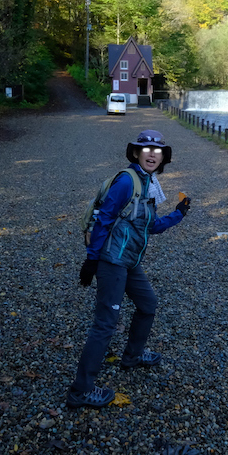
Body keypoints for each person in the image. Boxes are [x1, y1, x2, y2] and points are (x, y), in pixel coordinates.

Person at [67, 130, 191, 409]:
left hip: (130, 261)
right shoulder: (127, 181)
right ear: (135, 153)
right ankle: (80, 391)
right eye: (145, 149)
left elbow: (152, 226)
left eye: (157, 151)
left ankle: (132, 356)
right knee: (104, 325)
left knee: (148, 304)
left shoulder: (148, 183)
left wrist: (178, 214)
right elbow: (104, 219)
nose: (151, 154)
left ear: (163, 158)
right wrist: (91, 259)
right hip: (112, 261)